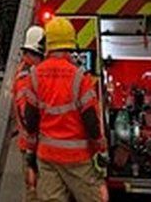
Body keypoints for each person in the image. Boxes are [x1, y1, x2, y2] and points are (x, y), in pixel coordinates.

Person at [23, 18, 108, 202]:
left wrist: (31, 149)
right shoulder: (79, 77)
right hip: (77, 157)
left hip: (47, 156)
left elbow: (30, 118)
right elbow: (90, 119)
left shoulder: (34, 75)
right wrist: (101, 148)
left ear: (48, 44)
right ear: (71, 43)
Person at [13, 25, 45, 202]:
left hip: (31, 144)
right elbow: (28, 117)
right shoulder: (27, 77)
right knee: (36, 193)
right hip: (33, 146)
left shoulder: (27, 71)